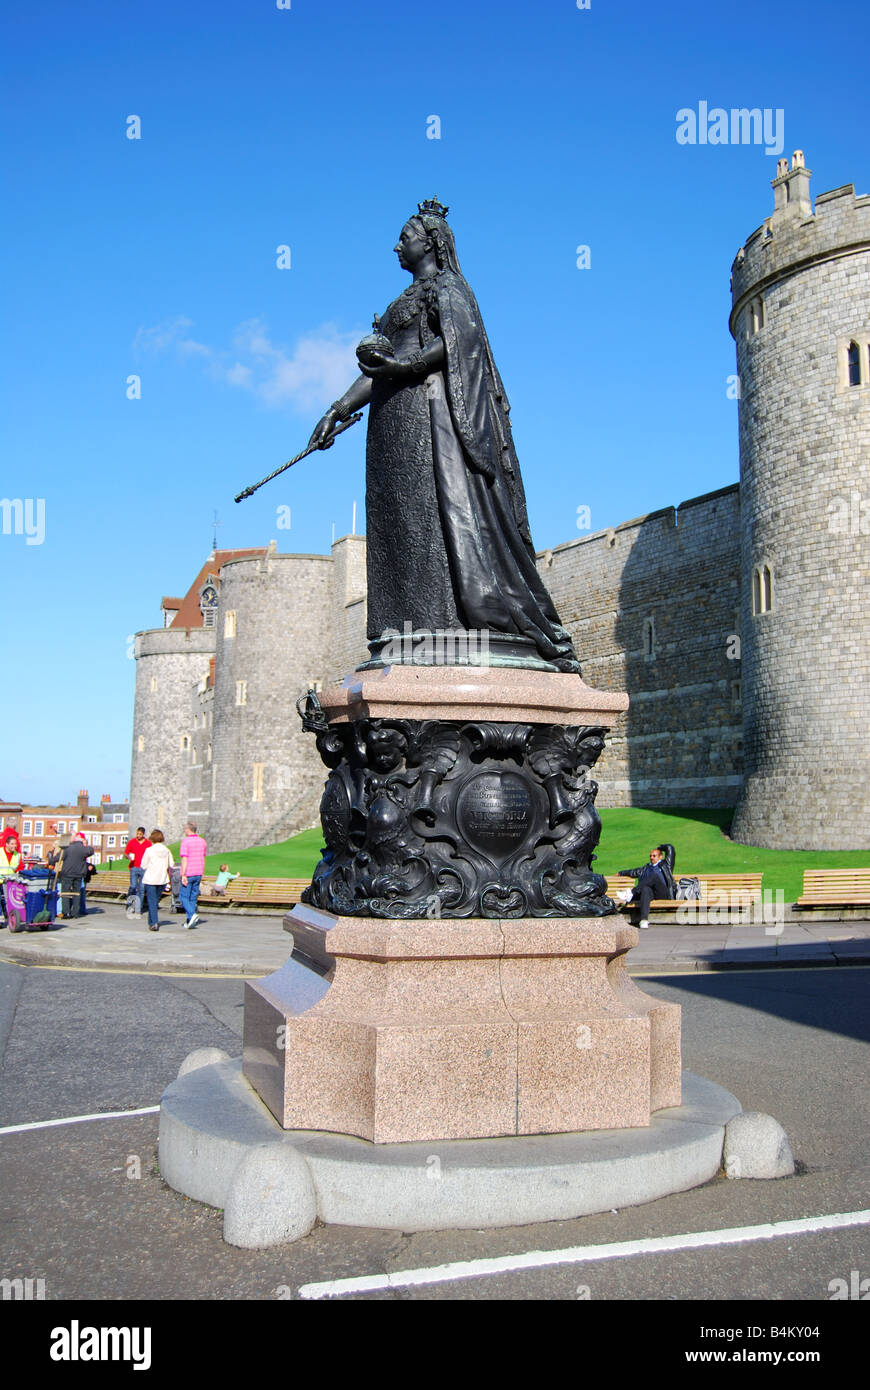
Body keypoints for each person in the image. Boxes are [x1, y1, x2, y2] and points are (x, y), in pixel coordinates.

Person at [308, 200, 580, 675]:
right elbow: (378, 370)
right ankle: (409, 622)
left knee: (437, 512)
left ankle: (454, 619)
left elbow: (460, 345)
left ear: (429, 242)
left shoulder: (449, 288)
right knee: (403, 520)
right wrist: (337, 408)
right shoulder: (400, 302)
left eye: (405, 236)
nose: (397, 245)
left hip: (433, 415)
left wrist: (402, 367)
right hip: (392, 426)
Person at [616, 844, 676, 929]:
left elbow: (670, 848)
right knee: (645, 889)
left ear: (660, 857)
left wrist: (659, 848)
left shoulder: (666, 865)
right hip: (650, 894)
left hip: (662, 893)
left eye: (654, 856)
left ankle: (630, 893)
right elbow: (634, 872)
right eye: (650, 856)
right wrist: (620, 873)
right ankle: (644, 920)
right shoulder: (646, 868)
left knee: (654, 877)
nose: (651, 857)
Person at [140, 829, 173, 932]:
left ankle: (154, 922)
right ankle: (151, 921)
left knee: (152, 901)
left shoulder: (149, 850)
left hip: (151, 879)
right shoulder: (167, 850)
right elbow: (171, 864)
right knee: (154, 901)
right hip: (162, 879)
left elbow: (143, 865)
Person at [56, 833, 95, 920]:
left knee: (65, 893)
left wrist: (51, 860)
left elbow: (58, 858)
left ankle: (66, 912)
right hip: (79, 874)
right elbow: (91, 850)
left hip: (67, 874)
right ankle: (75, 912)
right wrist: (83, 843)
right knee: (77, 893)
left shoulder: (67, 848)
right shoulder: (83, 849)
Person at [179, 821, 207, 929]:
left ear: (188, 830)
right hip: (198, 872)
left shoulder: (186, 842)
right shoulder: (202, 841)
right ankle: (189, 921)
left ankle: (192, 914)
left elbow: (184, 858)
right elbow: (203, 857)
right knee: (193, 897)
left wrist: (184, 874)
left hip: (189, 872)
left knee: (183, 897)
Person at [124, 826, 151, 919]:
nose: (138, 835)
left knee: (142, 889)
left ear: (143, 834)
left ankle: (138, 909)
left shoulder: (148, 844)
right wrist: (128, 857)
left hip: (143, 868)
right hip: (134, 867)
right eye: (137, 834)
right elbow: (126, 853)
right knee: (133, 886)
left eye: (140, 834)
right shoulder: (132, 842)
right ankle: (130, 905)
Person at [0, 828, 22, 925]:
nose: (14, 846)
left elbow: (17, 868)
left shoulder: (17, 855)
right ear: (7, 844)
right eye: (12, 844)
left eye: (15, 844)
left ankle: (10, 918)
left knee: (9, 901)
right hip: (0, 879)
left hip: (9, 882)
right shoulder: (0, 852)